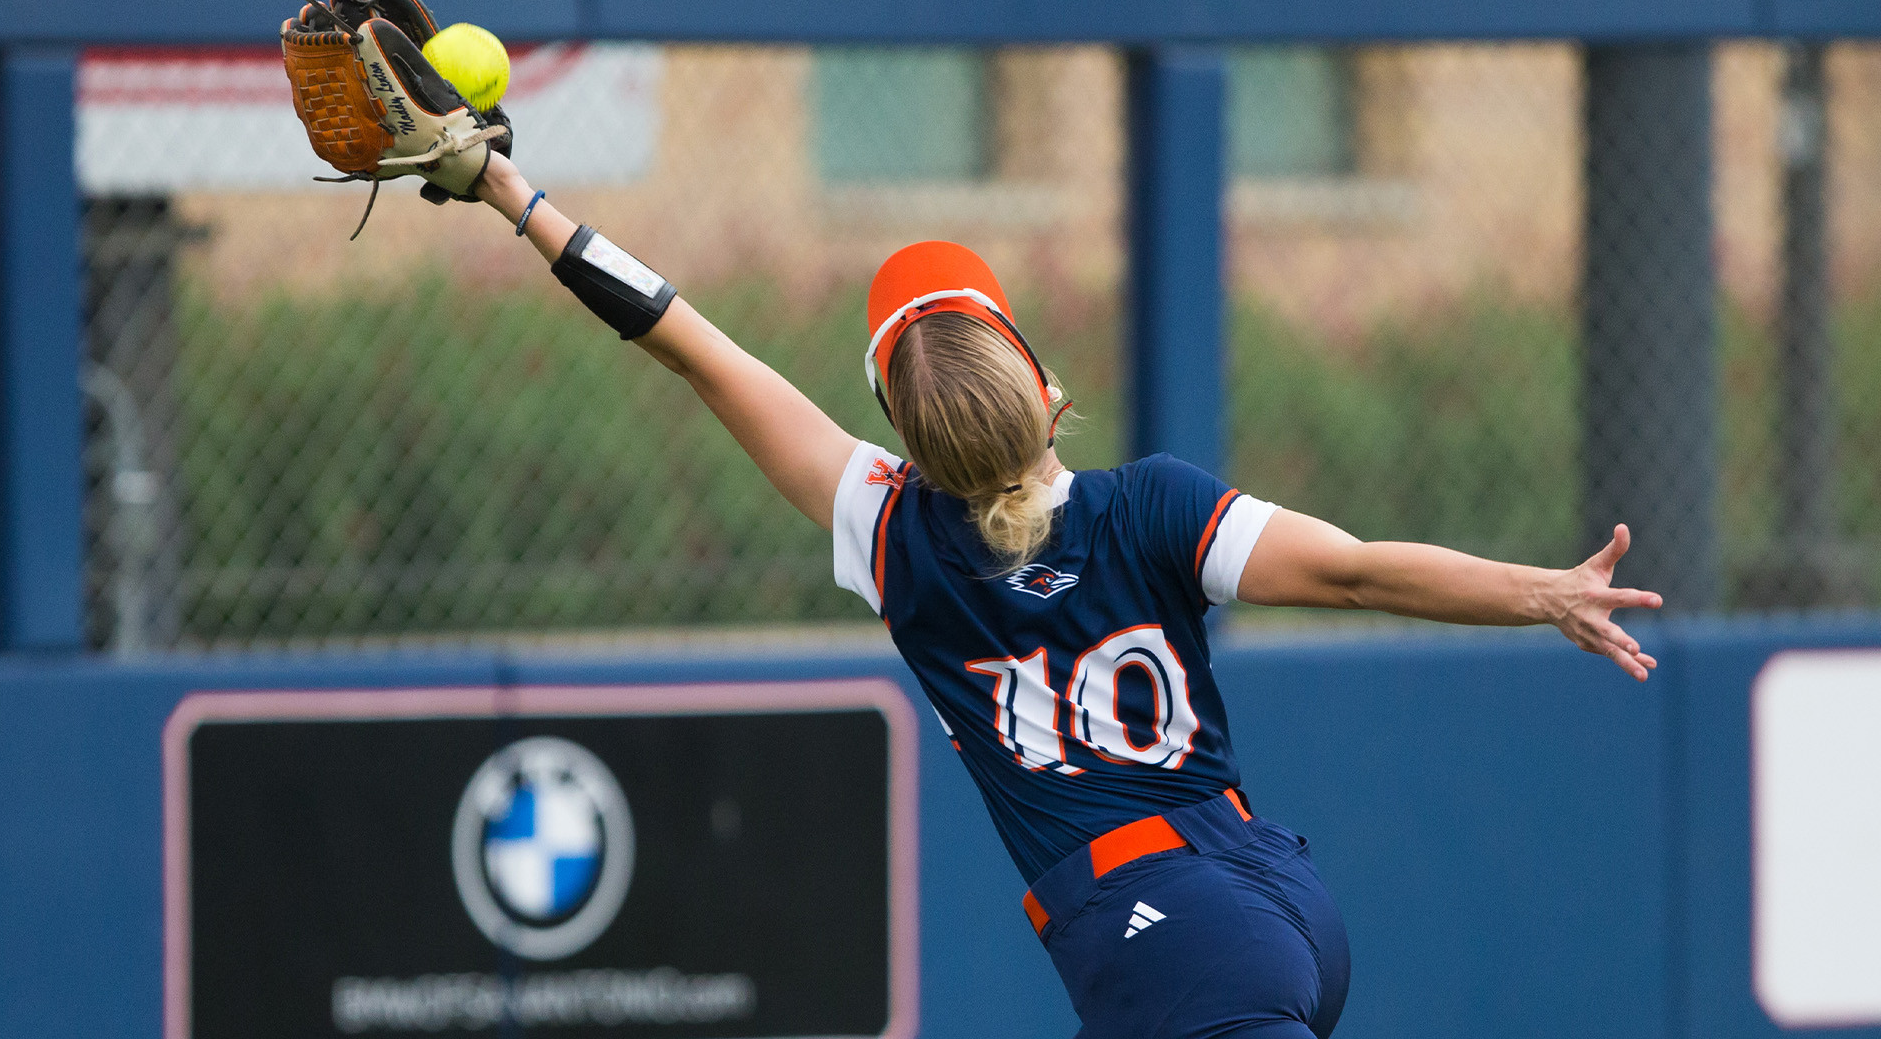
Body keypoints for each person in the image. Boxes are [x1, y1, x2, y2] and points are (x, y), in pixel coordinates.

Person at [465, 150, 1662, 1039]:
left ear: (901, 431)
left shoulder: (886, 528)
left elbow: (687, 340)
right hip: (1275, 898)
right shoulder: (1152, 506)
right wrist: (1541, 593)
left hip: (1165, 942)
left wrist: (511, 192)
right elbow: (1353, 569)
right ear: (1036, 380)